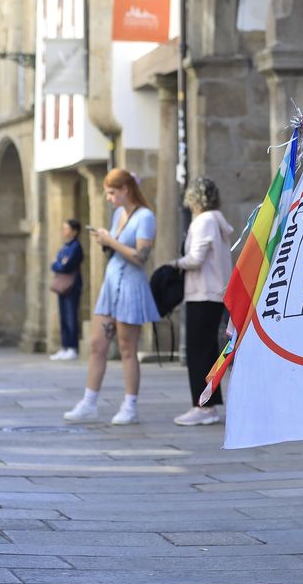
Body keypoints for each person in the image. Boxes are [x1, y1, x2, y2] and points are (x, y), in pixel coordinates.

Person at [62, 169, 161, 426]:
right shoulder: (119, 214)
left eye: (111, 192)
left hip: (130, 286)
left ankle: (130, 406)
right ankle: (89, 402)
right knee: (97, 345)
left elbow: (140, 256)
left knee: (128, 349)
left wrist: (111, 241)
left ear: (126, 190)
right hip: (112, 284)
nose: (108, 198)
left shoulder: (145, 216)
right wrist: (106, 241)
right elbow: (119, 249)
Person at [169, 177, 233, 427]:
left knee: (199, 352)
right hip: (213, 293)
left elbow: (196, 258)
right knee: (206, 351)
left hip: (202, 292)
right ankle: (208, 404)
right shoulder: (217, 220)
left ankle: (203, 406)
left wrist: (174, 264)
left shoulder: (205, 221)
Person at [49, 219, 85, 360]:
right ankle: (65, 346)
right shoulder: (65, 247)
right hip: (62, 286)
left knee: (71, 317)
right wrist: (59, 264)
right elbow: (55, 263)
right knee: (63, 317)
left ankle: (73, 347)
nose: (64, 231)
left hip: (72, 285)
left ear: (74, 231)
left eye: (66, 228)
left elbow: (65, 265)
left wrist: (59, 264)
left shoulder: (76, 247)